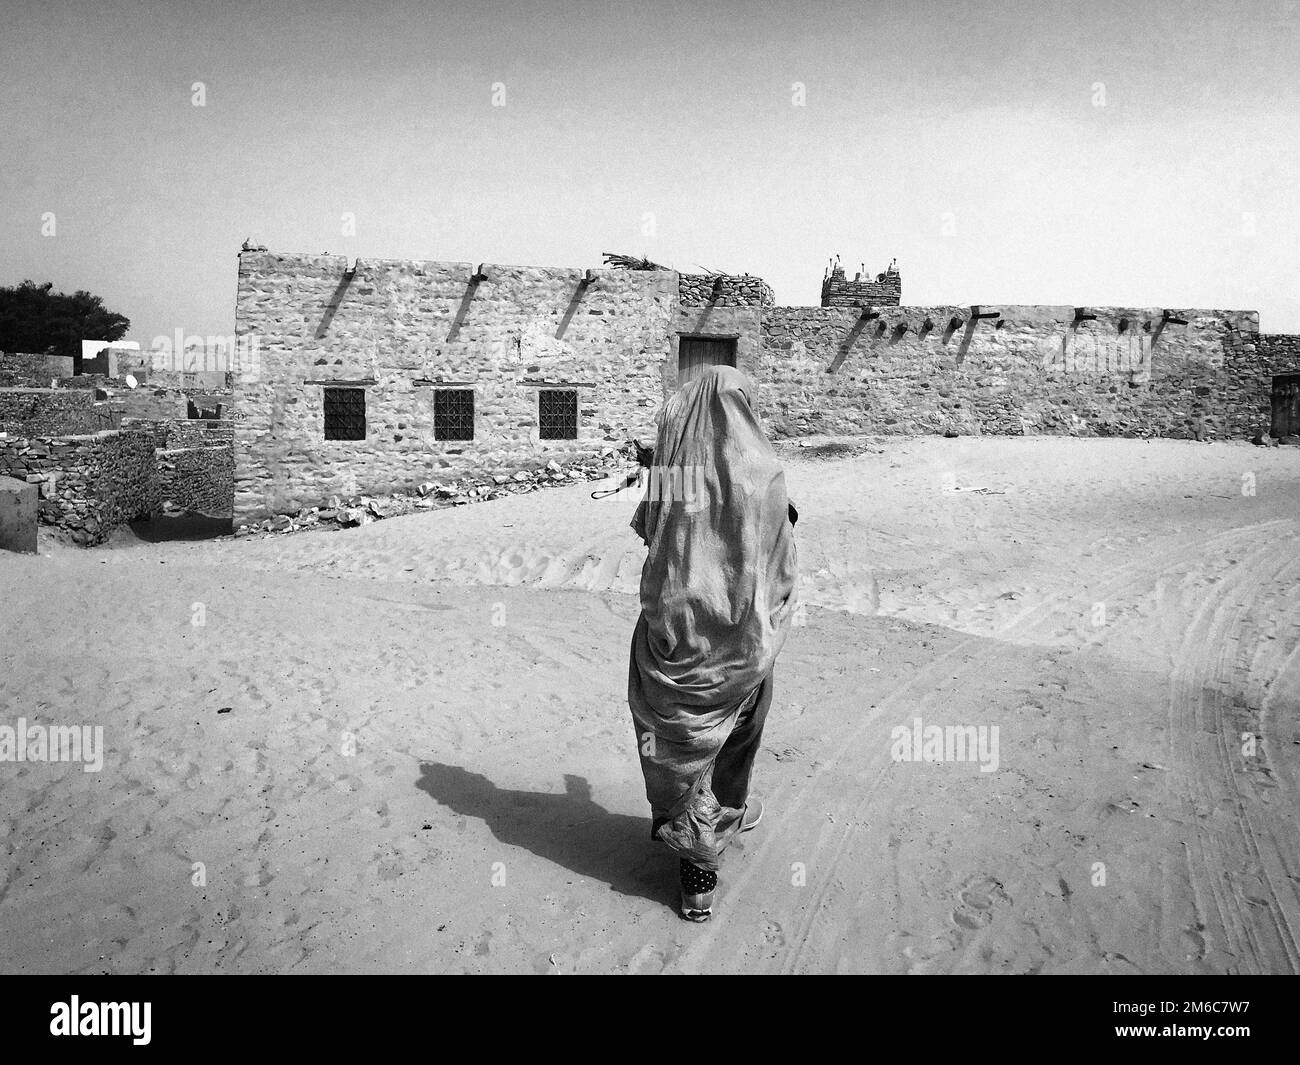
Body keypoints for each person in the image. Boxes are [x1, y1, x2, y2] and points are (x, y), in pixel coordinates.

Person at [628, 365, 799, 921]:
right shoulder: (764, 473)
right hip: (741, 643)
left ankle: (692, 845)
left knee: (677, 739)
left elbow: (649, 529)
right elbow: (781, 548)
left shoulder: (671, 471)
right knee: (736, 734)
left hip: (674, 638)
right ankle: (708, 847)